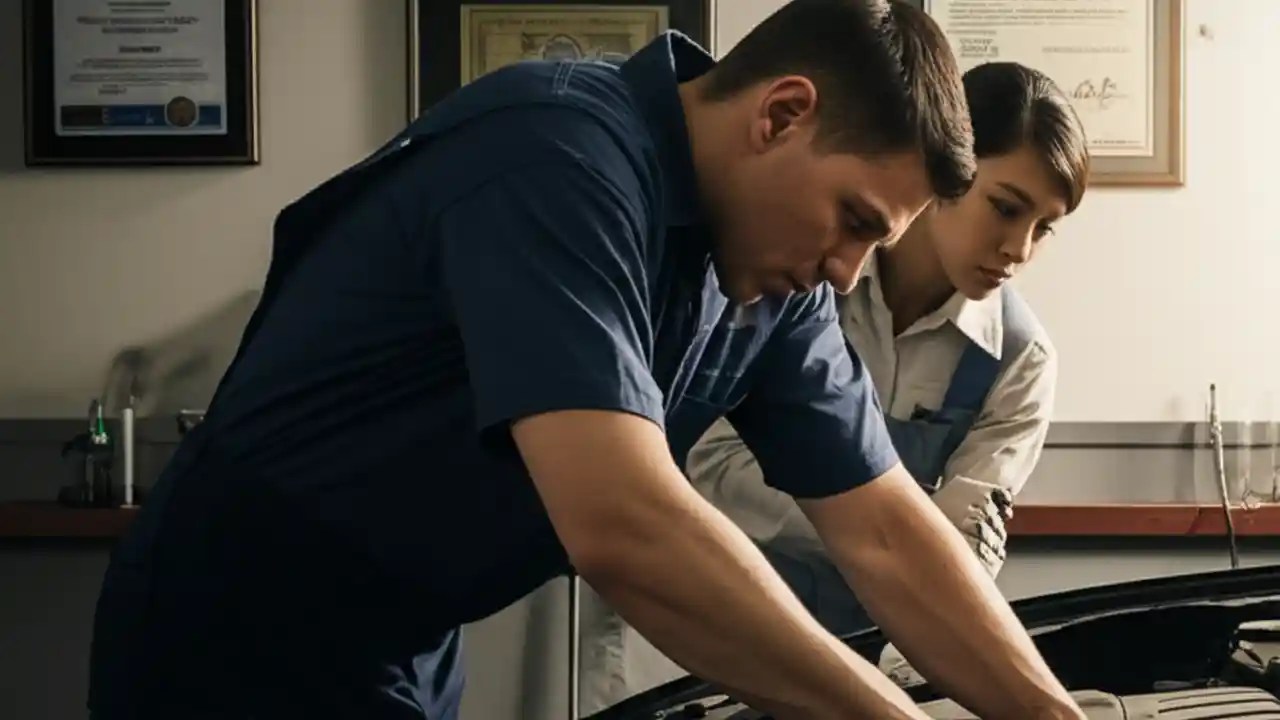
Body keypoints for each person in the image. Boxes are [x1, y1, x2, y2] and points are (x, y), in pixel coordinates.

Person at [87, 2, 1086, 719]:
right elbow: (623, 525)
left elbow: (886, 534)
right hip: (232, 631)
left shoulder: (767, 277)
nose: (843, 272)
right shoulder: (557, 155)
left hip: (408, 640)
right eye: (854, 222)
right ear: (778, 115)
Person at [577, 60, 1091, 713]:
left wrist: (919, 651)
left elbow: (964, 538)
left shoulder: (1020, 359)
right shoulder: (798, 265)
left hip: (867, 659)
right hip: (691, 630)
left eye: (1044, 228)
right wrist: (884, 527)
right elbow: (709, 464)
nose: (1018, 248)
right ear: (951, 173)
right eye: (1006, 207)